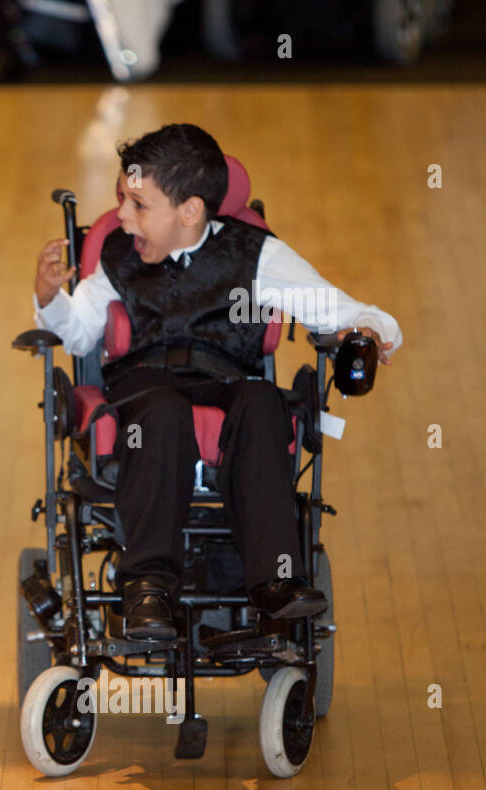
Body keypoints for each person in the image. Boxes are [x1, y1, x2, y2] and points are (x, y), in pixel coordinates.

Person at [31, 123, 402, 641]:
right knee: (161, 411)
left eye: (138, 204)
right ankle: (148, 588)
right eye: (122, 200)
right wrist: (49, 298)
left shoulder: (254, 254)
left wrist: (371, 332)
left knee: (261, 399)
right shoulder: (117, 252)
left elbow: (346, 309)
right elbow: (77, 335)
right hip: (142, 386)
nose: (121, 215)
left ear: (189, 211)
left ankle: (275, 582)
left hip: (224, 376)